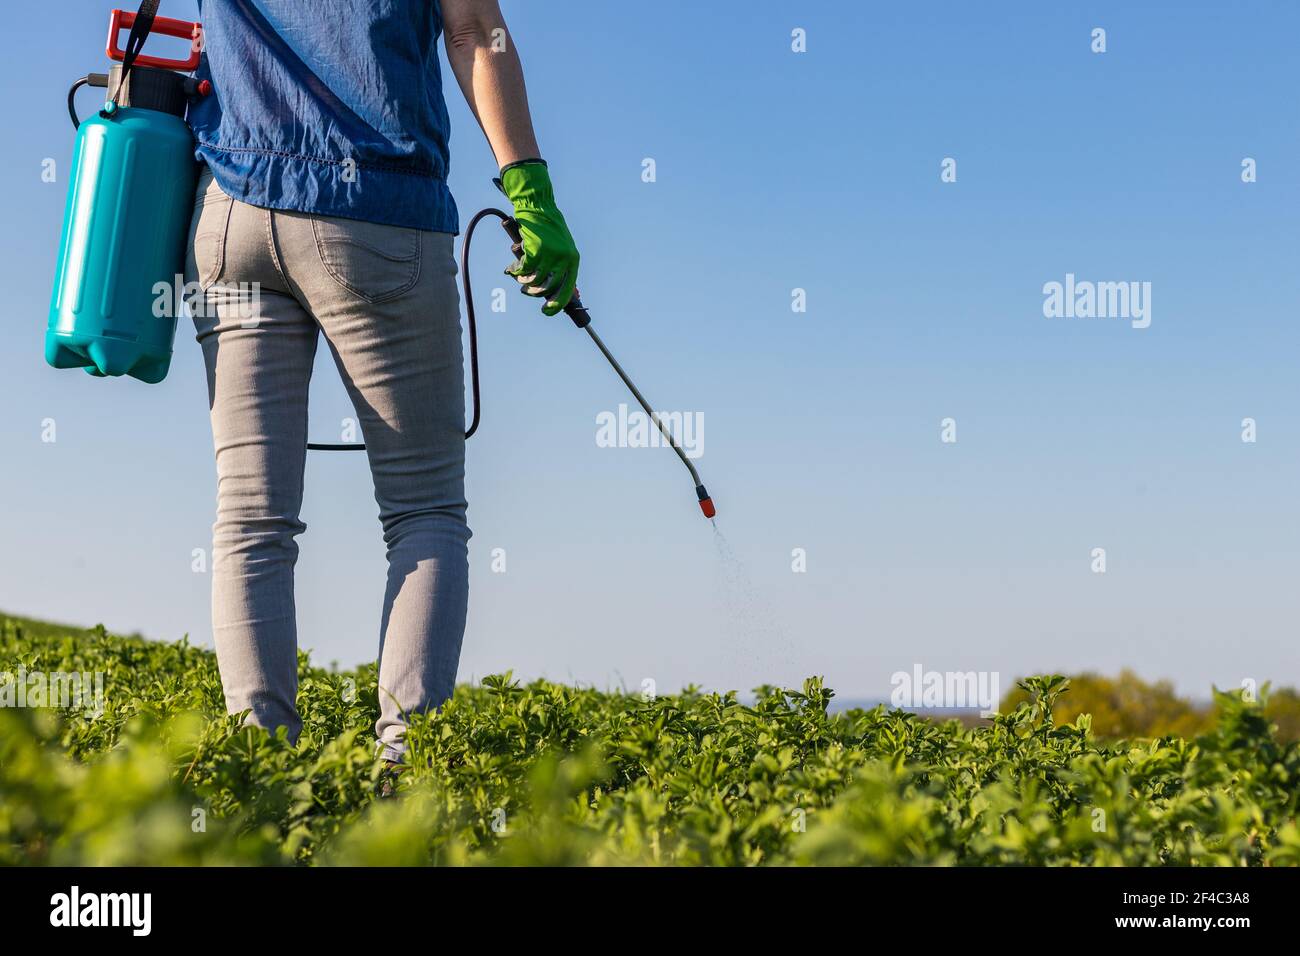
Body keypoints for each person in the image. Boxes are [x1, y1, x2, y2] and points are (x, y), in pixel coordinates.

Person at [184, 0, 579, 764]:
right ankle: (402, 780)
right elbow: (473, 31)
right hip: (378, 208)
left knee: (251, 516)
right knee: (424, 509)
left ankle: (261, 783)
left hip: (230, 213)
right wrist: (530, 194)